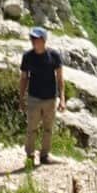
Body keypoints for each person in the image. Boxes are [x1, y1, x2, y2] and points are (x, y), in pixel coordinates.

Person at [18, 25, 66, 167]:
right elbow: (23, 78)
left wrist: (62, 98)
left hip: (50, 98)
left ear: (43, 40)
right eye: (32, 38)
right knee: (31, 128)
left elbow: (60, 78)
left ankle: (44, 155)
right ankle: (30, 156)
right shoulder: (27, 57)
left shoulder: (54, 56)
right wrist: (21, 98)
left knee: (48, 128)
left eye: (36, 39)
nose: (33, 41)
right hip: (34, 98)